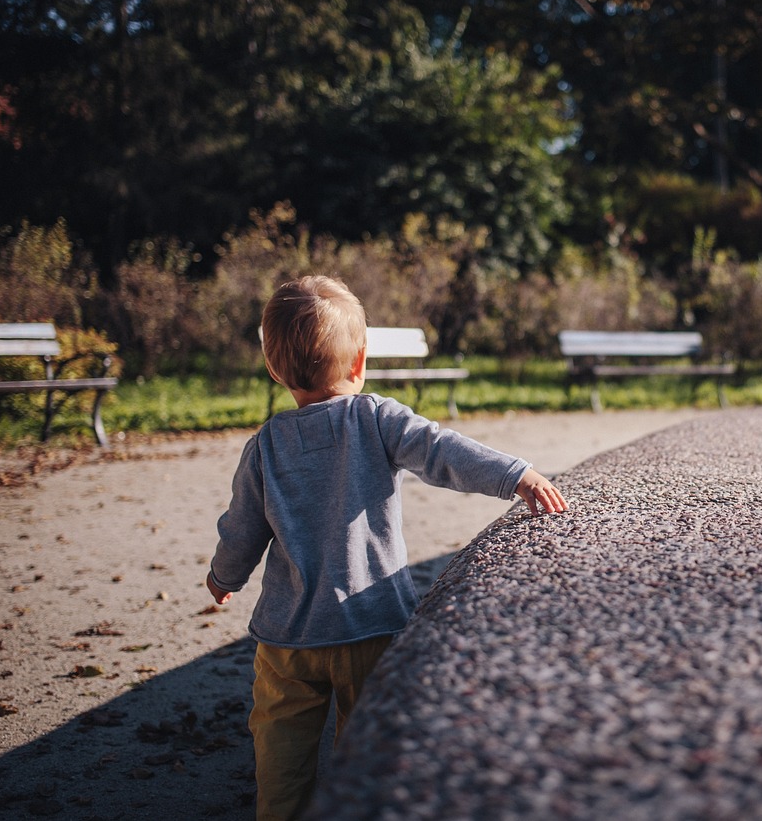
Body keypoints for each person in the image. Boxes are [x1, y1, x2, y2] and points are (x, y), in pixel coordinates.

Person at [205, 275, 567, 821]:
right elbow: (444, 451)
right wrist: (517, 475)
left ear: (275, 370)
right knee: (370, 758)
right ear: (358, 364)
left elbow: (242, 529)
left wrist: (223, 578)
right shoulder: (376, 419)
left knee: (280, 760)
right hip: (371, 625)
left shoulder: (265, 447)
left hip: (288, 639)